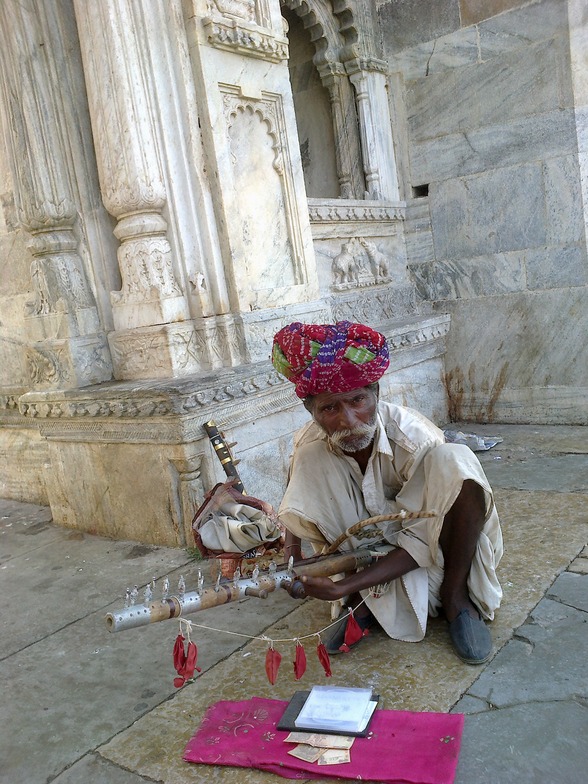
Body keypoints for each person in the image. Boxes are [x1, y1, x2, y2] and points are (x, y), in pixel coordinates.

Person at [272, 320, 503, 665]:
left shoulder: (415, 438)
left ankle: (456, 598)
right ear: (312, 412)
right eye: (330, 408)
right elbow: (300, 495)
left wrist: (340, 587)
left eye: (358, 400)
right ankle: (362, 601)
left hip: (436, 550)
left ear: (376, 394)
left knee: (457, 461)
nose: (349, 420)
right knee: (308, 455)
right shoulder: (311, 441)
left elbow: (421, 541)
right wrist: (291, 559)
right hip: (365, 550)